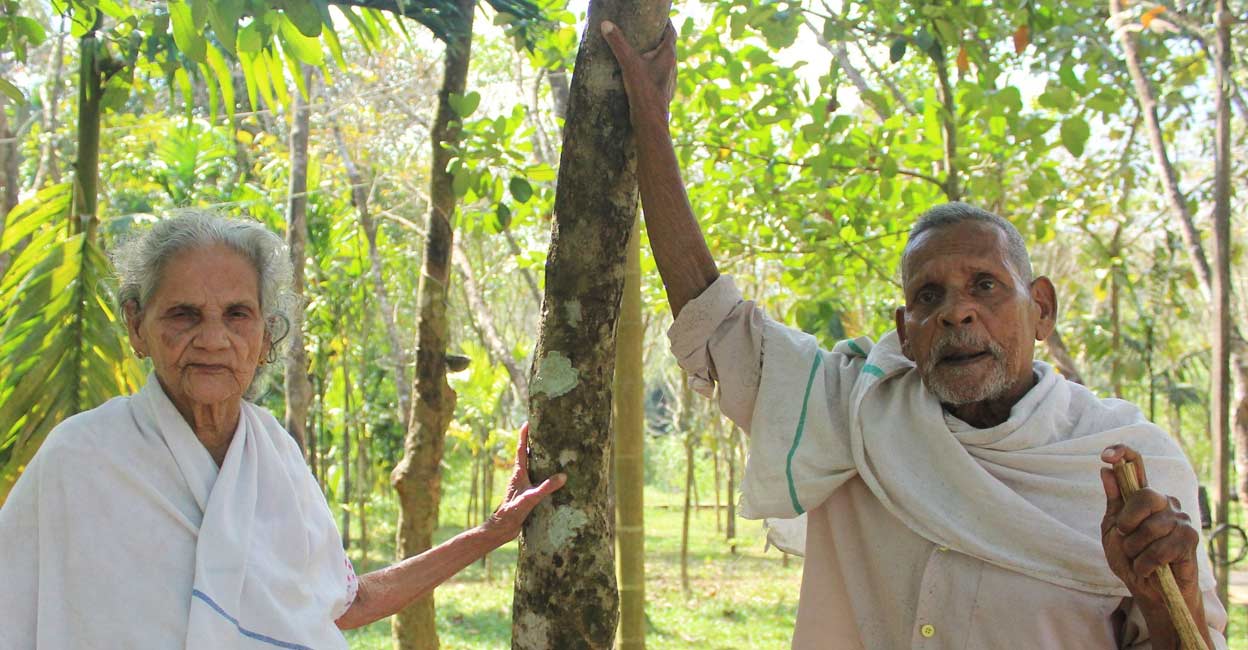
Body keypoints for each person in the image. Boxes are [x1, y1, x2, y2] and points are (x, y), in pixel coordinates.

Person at [601, 20, 1226, 649]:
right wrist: (651, 122)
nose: (957, 313)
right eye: (929, 296)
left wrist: (1165, 595)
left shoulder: (1132, 467)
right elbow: (713, 317)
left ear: (1042, 309)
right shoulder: (852, 412)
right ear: (905, 332)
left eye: (985, 285)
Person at [0, 210, 565, 649]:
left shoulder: (274, 454)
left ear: (267, 335)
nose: (213, 339)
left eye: (237, 315)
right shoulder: (80, 459)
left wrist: (491, 531)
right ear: (136, 325)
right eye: (183, 314)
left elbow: (345, 602)